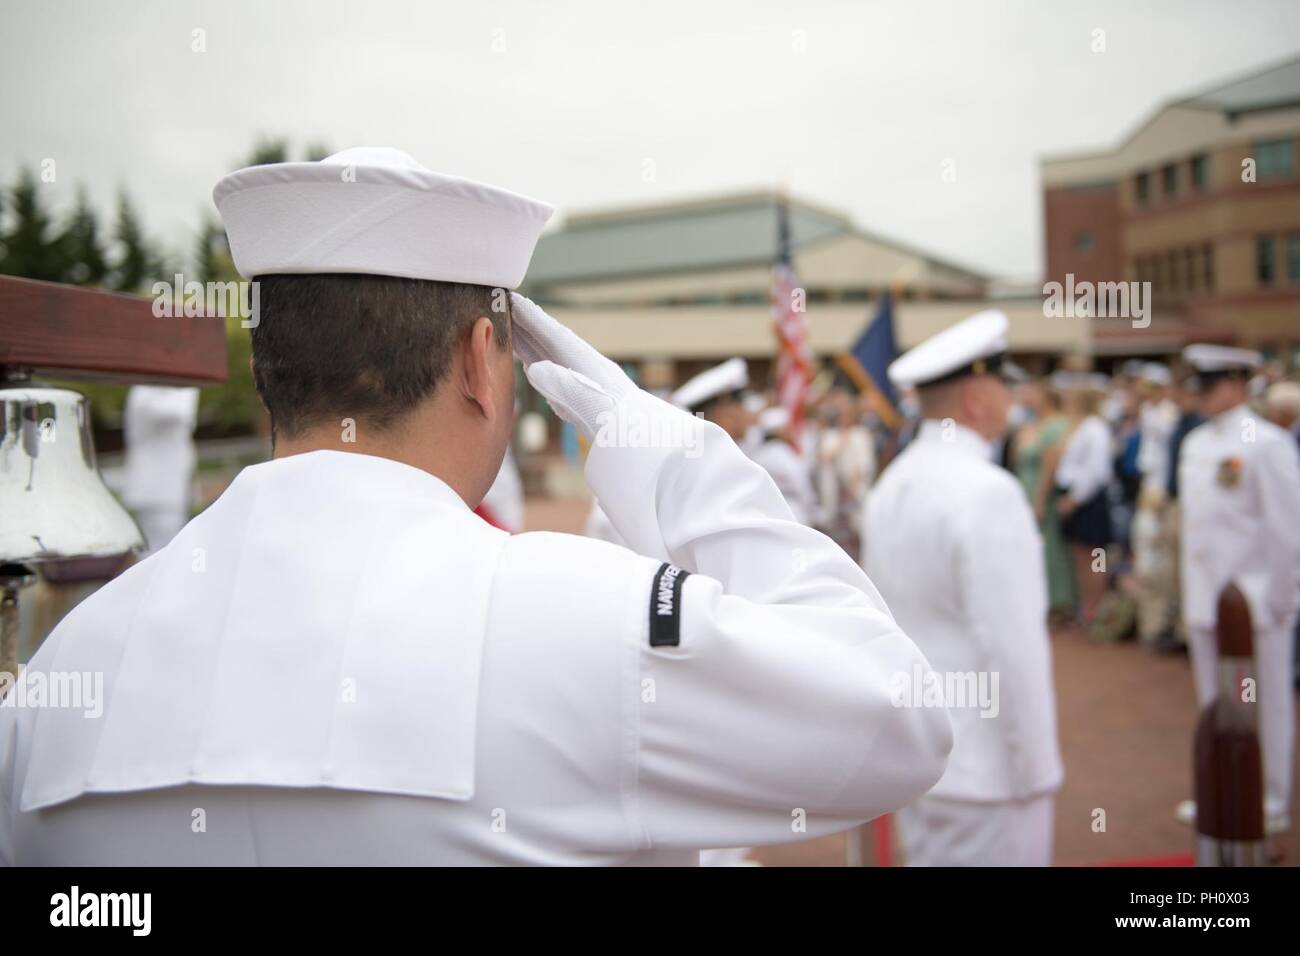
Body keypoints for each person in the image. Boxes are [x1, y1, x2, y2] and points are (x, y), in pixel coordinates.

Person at [0, 147, 951, 866]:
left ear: (270, 370)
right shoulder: (578, 616)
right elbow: (898, 719)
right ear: (477, 361)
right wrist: (668, 451)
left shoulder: (64, 670)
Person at [863, 310, 1062, 866]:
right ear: (975, 397)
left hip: (922, 755)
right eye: (1003, 385)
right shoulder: (988, 492)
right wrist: (1037, 770)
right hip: (990, 774)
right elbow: (1013, 647)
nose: (1011, 399)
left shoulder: (893, 482)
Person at [1177, 344, 1300, 836]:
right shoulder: (1196, 442)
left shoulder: (1266, 442)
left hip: (1254, 601)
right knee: (1215, 703)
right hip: (1207, 599)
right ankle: (1220, 791)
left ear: (1238, 384)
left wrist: (1279, 602)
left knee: (1264, 703)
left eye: (1210, 385)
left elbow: (1287, 531)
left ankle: (1269, 799)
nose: (1202, 396)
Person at [1010, 379, 1077, 620]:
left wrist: (1039, 500)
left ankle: (1059, 603)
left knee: (1050, 549)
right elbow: (1016, 455)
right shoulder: (1031, 423)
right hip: (1025, 486)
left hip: (1041, 492)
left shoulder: (1055, 425)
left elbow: (1050, 467)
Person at [1053, 372, 1114, 625]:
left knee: (1095, 558)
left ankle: (1096, 608)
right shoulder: (1082, 426)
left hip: (1089, 501)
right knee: (1081, 556)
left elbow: (1096, 470)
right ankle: (1087, 606)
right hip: (1077, 498)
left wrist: (1075, 499)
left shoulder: (1095, 429)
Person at [121, 384, 200, 552]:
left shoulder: (146, 391)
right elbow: (180, 412)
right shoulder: (144, 391)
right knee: (160, 552)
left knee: (159, 550)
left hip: (169, 489)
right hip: (159, 489)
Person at [749, 406, 818, 526]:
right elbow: (800, 482)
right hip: (793, 510)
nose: (790, 431)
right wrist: (812, 510)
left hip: (766, 512)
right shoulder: (783, 453)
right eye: (787, 428)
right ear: (778, 430)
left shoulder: (757, 454)